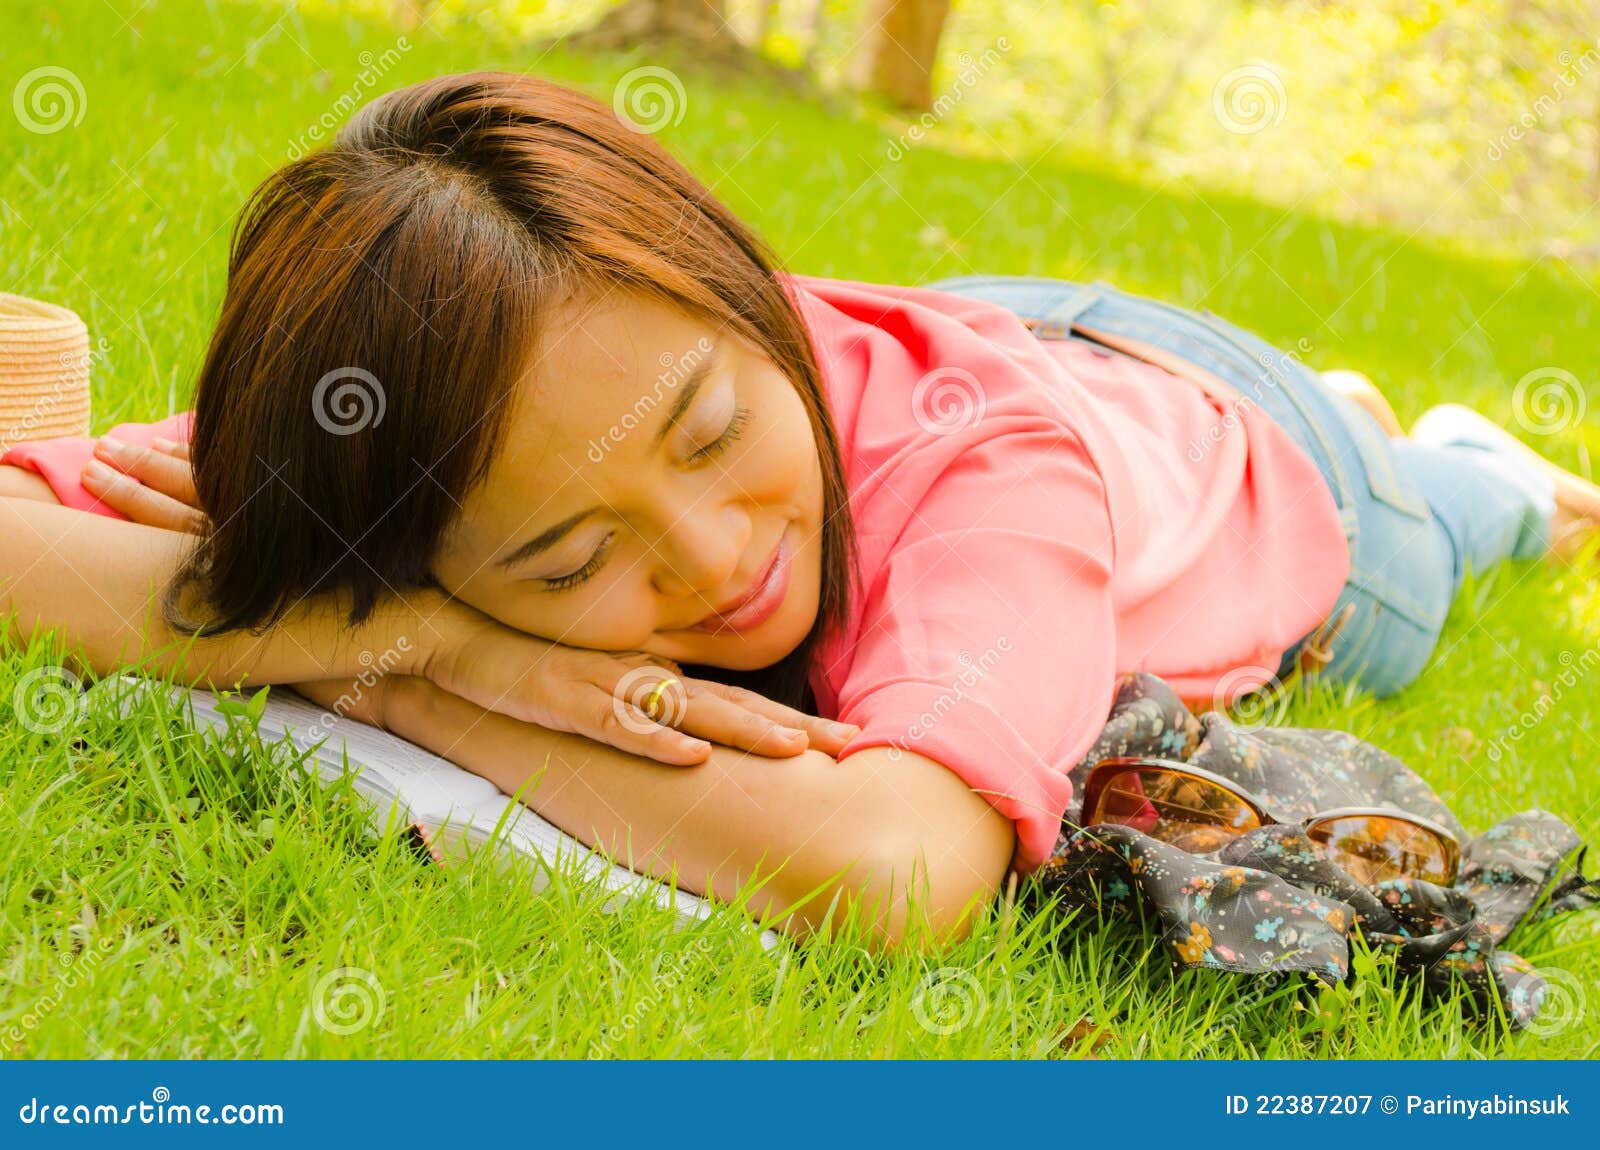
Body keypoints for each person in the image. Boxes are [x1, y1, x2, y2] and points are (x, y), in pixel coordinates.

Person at [3, 72, 1596, 950]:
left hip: (1264, 461)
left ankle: (1458, 452)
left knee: (1454, 514)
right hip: (972, 326)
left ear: (739, 284)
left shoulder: (992, 482)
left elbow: (897, 872)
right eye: (570, 561)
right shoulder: (429, 398)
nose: (715, 557)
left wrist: (413, 665)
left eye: (706, 435)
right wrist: (421, 629)